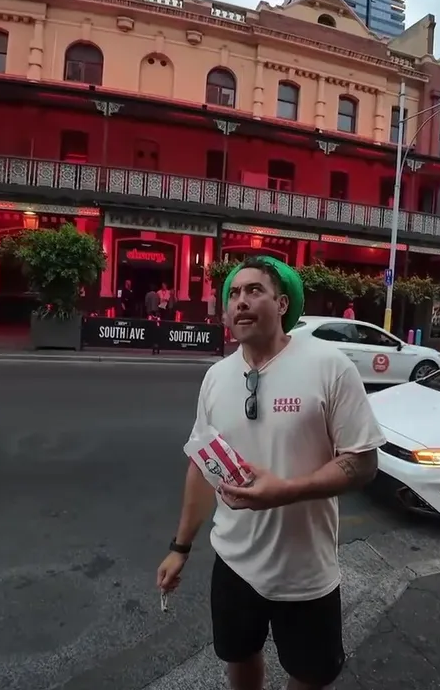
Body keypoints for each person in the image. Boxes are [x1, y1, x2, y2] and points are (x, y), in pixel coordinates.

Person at [155, 256, 384, 690]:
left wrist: (287, 490)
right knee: (240, 657)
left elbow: (362, 462)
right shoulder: (216, 377)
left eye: (254, 290)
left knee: (310, 674)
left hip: (306, 572)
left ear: (282, 304)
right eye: (233, 294)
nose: (240, 301)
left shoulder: (329, 366)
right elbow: (203, 465)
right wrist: (179, 547)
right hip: (234, 563)